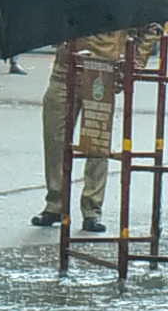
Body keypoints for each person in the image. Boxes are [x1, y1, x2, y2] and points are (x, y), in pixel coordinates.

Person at [36, 29, 135, 234]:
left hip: (101, 69)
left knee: (96, 142)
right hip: (65, 67)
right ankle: (55, 203)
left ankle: (92, 209)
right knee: (54, 138)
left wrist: (132, 64)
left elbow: (151, 28)